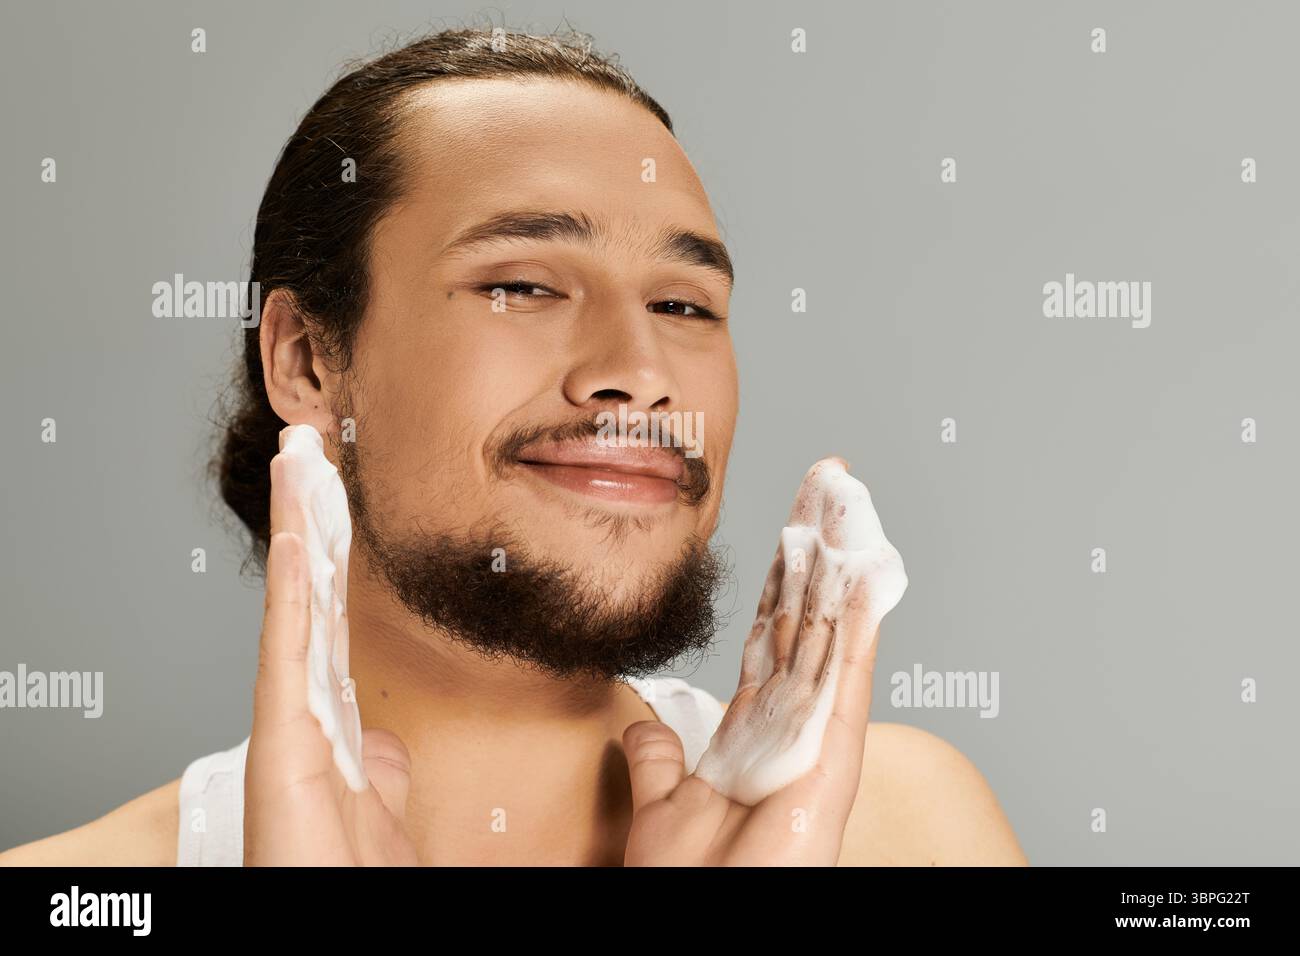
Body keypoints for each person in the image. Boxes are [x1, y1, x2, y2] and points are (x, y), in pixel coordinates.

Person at [1, 28, 1027, 866]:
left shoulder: (900, 827)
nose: (640, 367)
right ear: (309, 361)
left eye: (682, 302)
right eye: (524, 285)